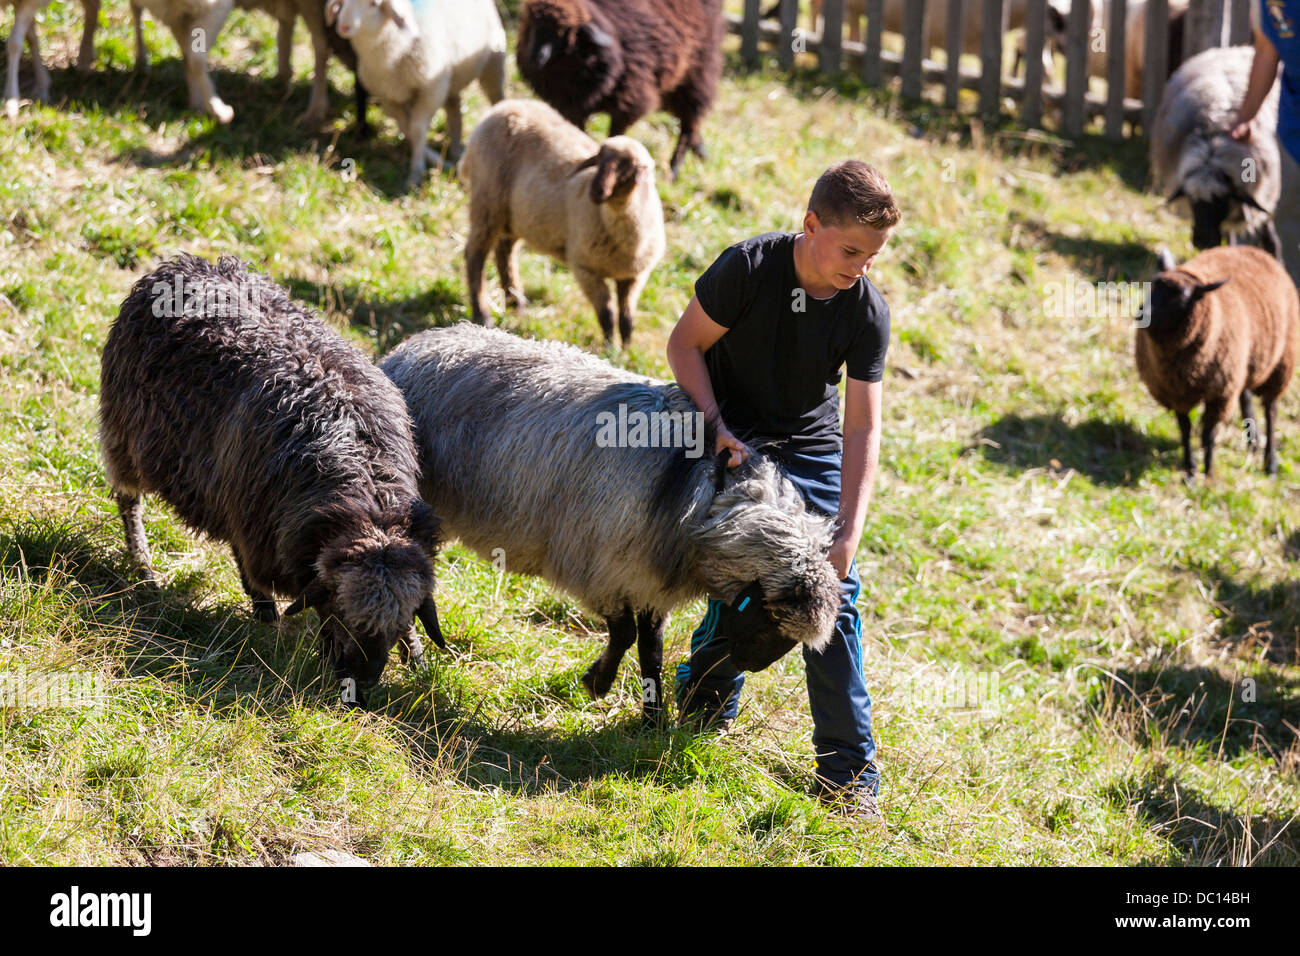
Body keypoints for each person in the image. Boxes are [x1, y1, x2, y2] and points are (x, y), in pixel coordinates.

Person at [666, 160, 898, 818]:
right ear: (810, 226)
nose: (862, 265)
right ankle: (705, 695)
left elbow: (862, 426)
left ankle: (848, 779)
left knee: (832, 592)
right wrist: (714, 428)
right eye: (851, 250)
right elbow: (684, 346)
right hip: (731, 430)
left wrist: (848, 533)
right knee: (746, 571)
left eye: (874, 255)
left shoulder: (865, 310)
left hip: (812, 445)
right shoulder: (746, 268)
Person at [1232, 0, 1300, 290]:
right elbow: (1266, 51)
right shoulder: (1266, 5)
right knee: (1289, 214)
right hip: (1293, 123)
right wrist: (1246, 117)